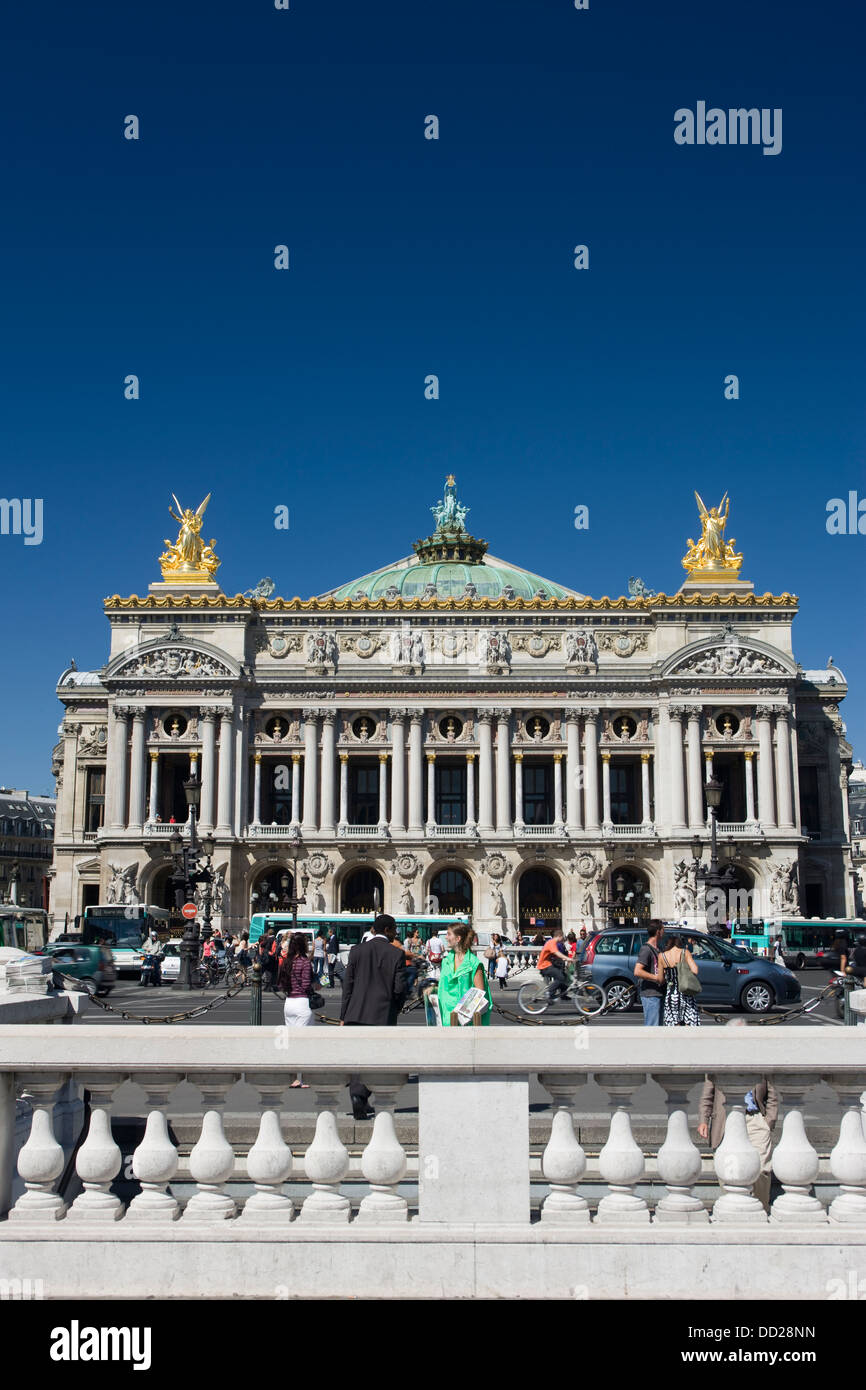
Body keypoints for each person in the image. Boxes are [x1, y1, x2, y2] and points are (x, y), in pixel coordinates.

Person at [340, 914, 407, 1119]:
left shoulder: (357, 951)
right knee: (375, 1057)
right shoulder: (396, 954)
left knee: (357, 1058)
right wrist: (394, 1009)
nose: (396, 932)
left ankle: (358, 1096)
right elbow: (399, 989)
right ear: (387, 930)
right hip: (381, 1013)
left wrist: (344, 1015)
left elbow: (348, 985)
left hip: (355, 1012)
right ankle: (361, 1095)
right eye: (394, 929)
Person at [698, 1074, 779, 1210]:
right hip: (726, 1118)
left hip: (754, 1118)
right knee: (727, 1167)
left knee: (762, 1166)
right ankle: (732, 1208)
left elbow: (772, 1092)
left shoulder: (761, 1055)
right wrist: (703, 1119)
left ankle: (761, 1208)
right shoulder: (718, 1057)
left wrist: (768, 1121)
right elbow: (708, 1093)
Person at [277, 932, 316, 1090]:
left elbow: (280, 983)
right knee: (304, 1042)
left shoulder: (287, 961)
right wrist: (317, 986)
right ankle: (303, 1078)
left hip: (289, 1003)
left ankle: (293, 1077)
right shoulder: (304, 962)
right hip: (302, 1003)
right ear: (303, 945)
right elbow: (306, 985)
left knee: (292, 1041)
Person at [437, 923, 493, 1026]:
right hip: (446, 1016)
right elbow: (443, 987)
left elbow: (480, 993)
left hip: (465, 1020)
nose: (446, 937)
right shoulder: (446, 961)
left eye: (449, 934)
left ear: (458, 938)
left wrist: (463, 1016)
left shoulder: (473, 963)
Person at [658, 932, 701, 1026]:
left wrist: (668, 977)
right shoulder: (685, 952)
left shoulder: (662, 956)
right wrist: (684, 970)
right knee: (689, 1024)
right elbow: (695, 970)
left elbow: (660, 979)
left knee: (674, 1027)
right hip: (686, 992)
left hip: (671, 995)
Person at [634, 920, 665, 1025]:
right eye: (662, 930)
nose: (664, 932)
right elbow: (637, 971)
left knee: (658, 1028)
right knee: (653, 1027)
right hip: (650, 994)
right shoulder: (646, 949)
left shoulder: (659, 949)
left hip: (659, 992)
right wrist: (656, 978)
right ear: (658, 932)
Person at [536, 926, 571, 1004]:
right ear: (559, 936)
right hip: (544, 966)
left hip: (549, 964)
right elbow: (557, 953)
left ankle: (563, 994)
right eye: (563, 937)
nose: (563, 939)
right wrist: (568, 958)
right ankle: (549, 993)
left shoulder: (553, 942)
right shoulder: (552, 942)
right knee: (560, 978)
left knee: (564, 977)